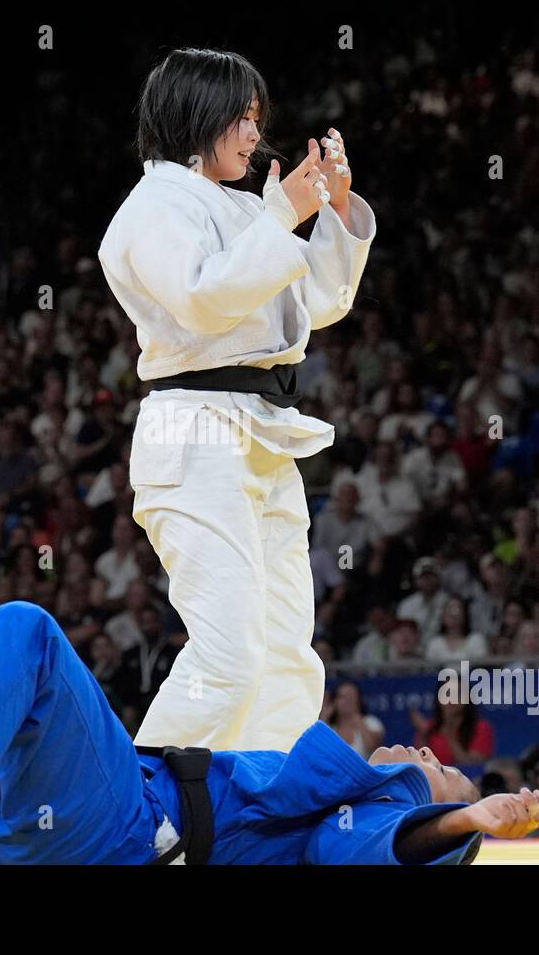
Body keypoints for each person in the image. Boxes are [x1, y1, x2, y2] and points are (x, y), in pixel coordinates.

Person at [0, 602, 539, 865]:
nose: (432, 755)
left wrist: (459, 817)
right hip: (47, 817)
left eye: (444, 769)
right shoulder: (333, 784)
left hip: (121, 832)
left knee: (25, 631)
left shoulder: (364, 817)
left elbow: (382, 850)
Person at [97, 48, 376, 752]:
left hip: (264, 432)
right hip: (194, 431)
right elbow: (205, 298)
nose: (255, 136)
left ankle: (257, 822)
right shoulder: (151, 206)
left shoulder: (247, 207)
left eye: (258, 118)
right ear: (197, 114)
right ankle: (136, 821)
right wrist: (281, 214)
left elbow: (318, 300)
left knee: (286, 658)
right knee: (229, 658)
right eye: (242, 118)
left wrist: (334, 211)